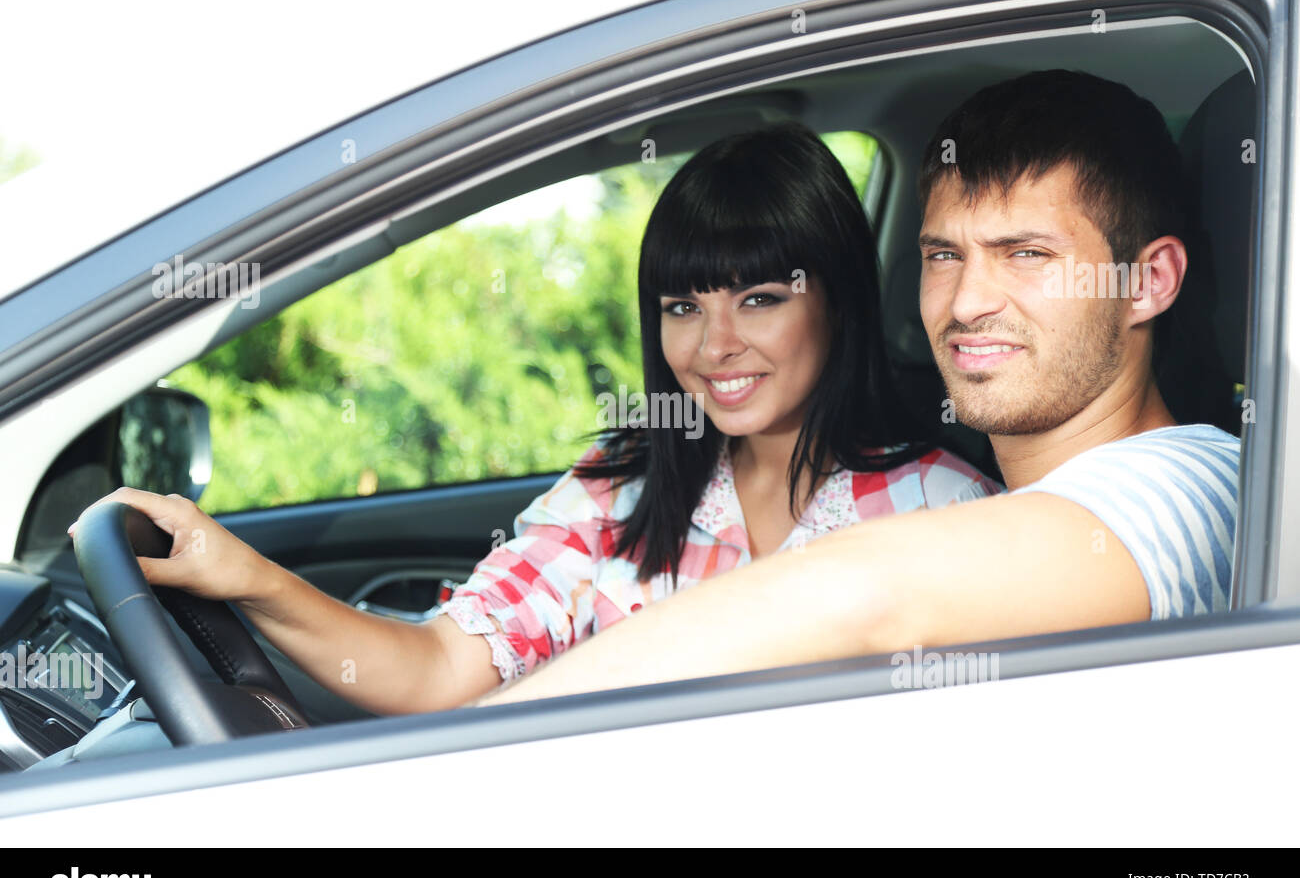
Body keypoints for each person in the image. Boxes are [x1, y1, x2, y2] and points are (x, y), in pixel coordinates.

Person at [71, 122, 998, 713]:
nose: (714, 345)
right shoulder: (625, 486)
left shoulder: (949, 512)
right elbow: (435, 672)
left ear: (835, 300)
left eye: (759, 299)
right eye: (683, 307)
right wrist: (247, 577)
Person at [475, 69, 1243, 705]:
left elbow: (867, 595)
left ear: (1147, 282)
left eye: (1026, 254)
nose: (968, 301)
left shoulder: (1196, 482)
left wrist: (490, 742)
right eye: (944, 255)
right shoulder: (1018, 506)